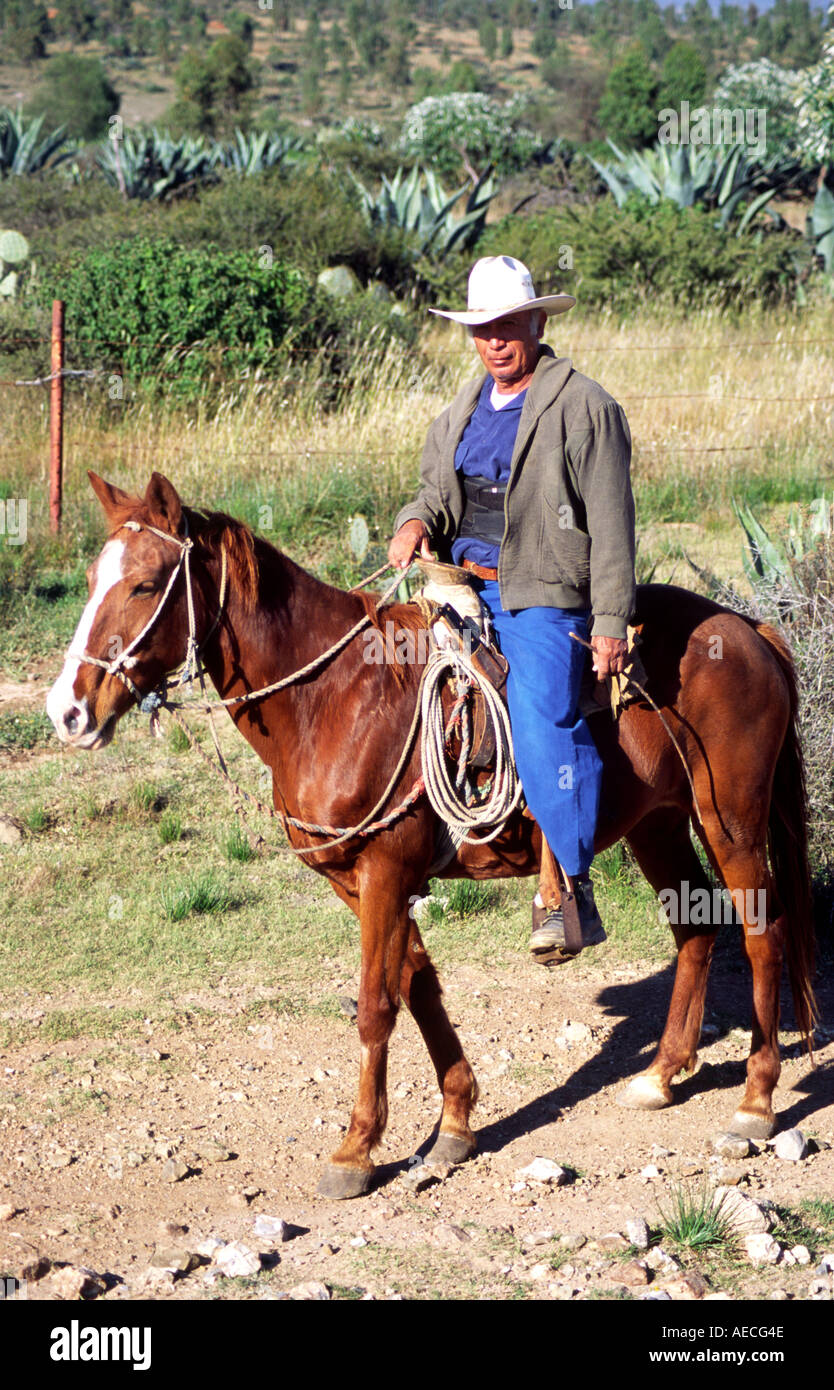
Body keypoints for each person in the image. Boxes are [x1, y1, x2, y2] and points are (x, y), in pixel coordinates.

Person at [388, 255, 636, 962]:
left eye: (507, 326)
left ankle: (571, 885)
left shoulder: (585, 405)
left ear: (536, 322)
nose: (495, 342)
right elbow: (436, 493)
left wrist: (612, 622)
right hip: (458, 582)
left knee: (540, 717)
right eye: (482, 330)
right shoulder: (460, 412)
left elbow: (614, 525)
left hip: (542, 592)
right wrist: (412, 522)